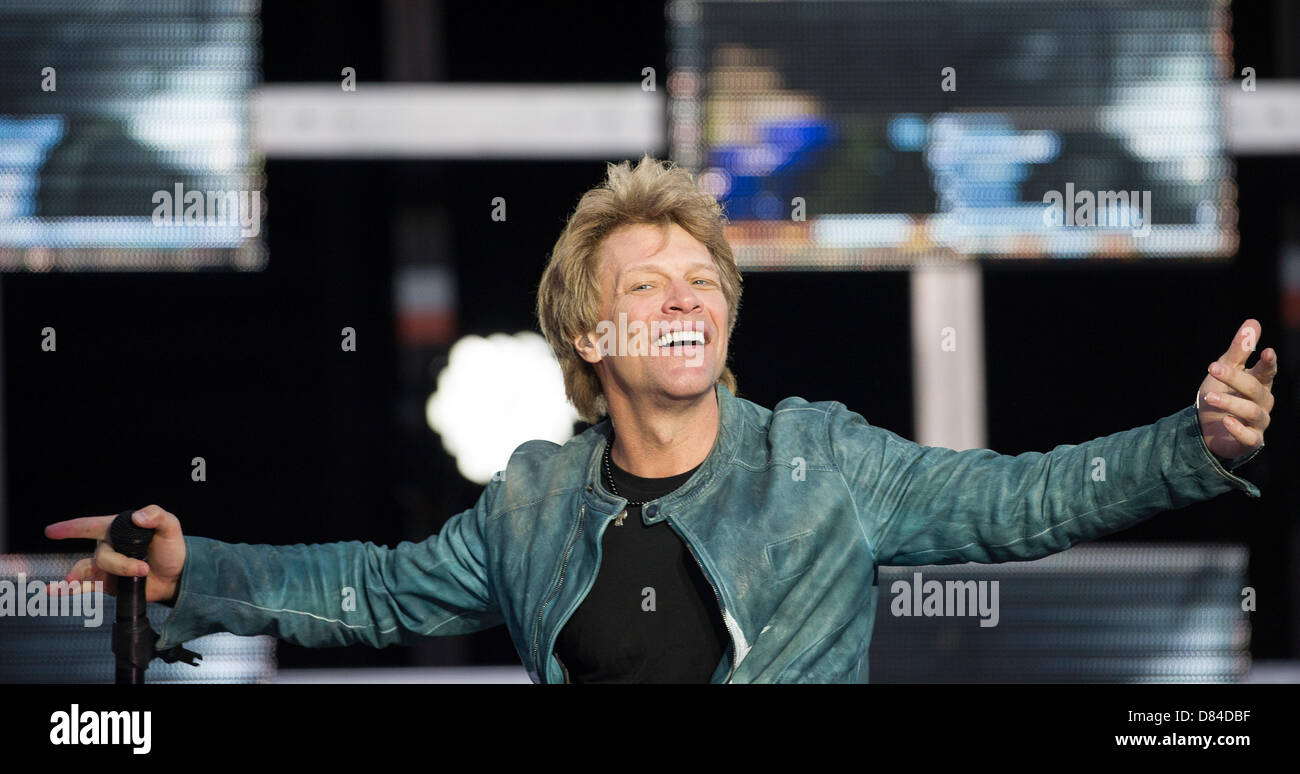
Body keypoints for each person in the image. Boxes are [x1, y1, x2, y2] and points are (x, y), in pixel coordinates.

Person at [45, 156, 1277, 683]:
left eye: (704, 283)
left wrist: (1194, 442)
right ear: (592, 336)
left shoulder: (821, 459)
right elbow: (374, 590)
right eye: (647, 284)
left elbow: (1024, 503)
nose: (684, 300)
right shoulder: (531, 500)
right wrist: (194, 570)